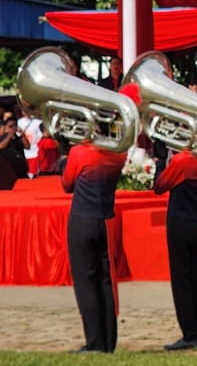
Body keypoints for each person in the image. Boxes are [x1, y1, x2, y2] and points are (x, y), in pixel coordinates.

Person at [61, 131, 128, 353]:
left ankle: (94, 341)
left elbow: (67, 184)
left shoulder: (79, 152)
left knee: (86, 281)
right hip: (106, 220)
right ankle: (108, 341)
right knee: (105, 280)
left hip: (82, 219)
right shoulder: (118, 153)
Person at [155, 147, 197, 351]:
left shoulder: (183, 161)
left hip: (180, 222)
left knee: (182, 281)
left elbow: (159, 186)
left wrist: (160, 159)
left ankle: (190, 334)